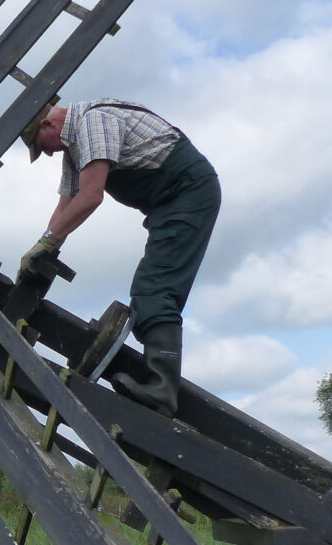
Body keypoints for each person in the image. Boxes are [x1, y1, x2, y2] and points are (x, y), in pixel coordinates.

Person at [18, 97, 221, 416]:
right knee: (149, 290)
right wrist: (41, 251)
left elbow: (90, 196)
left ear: (48, 124)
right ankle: (158, 384)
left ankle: (162, 391)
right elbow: (66, 205)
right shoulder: (75, 147)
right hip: (169, 203)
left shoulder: (92, 124)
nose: (44, 152)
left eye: (38, 144)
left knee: (154, 289)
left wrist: (47, 242)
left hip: (187, 193)